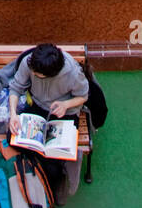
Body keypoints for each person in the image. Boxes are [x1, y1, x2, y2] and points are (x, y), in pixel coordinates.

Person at [8, 43, 89, 199]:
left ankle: (57, 175)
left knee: (53, 158)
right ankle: (41, 167)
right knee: (12, 137)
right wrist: (13, 114)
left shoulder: (72, 73)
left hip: (64, 111)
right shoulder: (29, 62)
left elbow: (83, 96)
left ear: (52, 74)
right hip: (38, 106)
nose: (34, 74)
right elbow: (16, 88)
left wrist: (66, 104)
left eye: (38, 75)